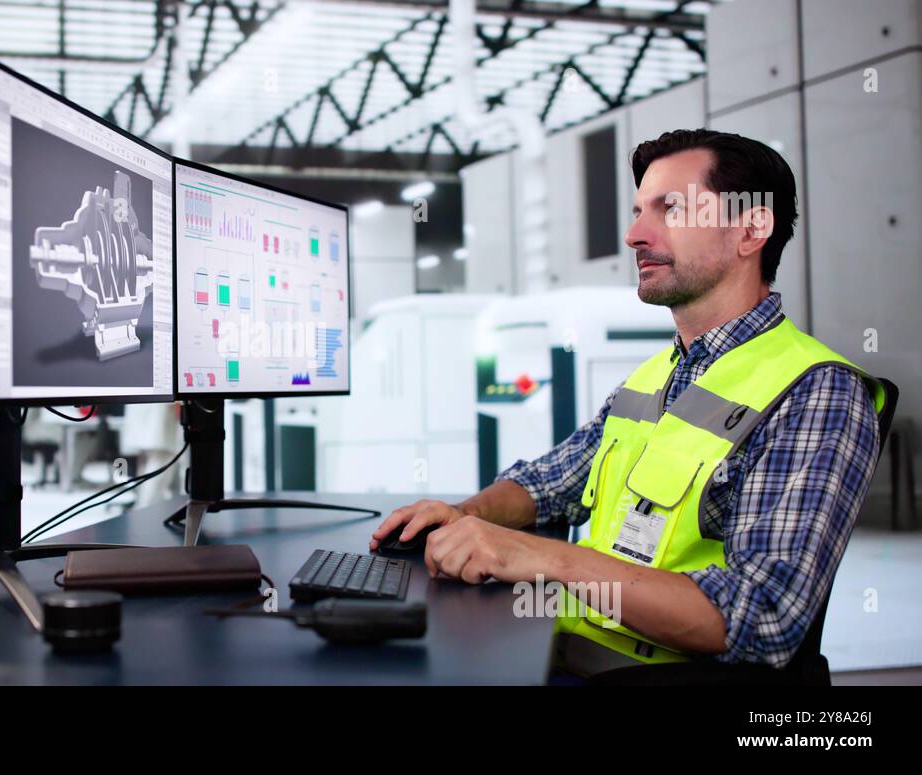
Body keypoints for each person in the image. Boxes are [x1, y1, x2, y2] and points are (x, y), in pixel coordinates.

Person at [372, 129, 885, 678]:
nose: (635, 234)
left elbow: (760, 619)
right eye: (640, 210)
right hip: (558, 648)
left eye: (670, 208)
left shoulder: (817, 391)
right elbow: (548, 483)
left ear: (751, 228)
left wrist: (542, 558)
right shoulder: (655, 377)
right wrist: (467, 516)